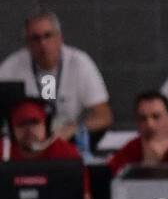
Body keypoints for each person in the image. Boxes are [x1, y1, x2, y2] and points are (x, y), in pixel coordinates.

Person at [0, 8, 112, 142]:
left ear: (60, 38)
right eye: (35, 38)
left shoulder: (79, 62)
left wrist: (73, 129)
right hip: (26, 141)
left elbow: (104, 116)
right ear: (27, 44)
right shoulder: (11, 67)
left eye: (48, 36)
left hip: (67, 140)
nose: (43, 44)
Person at [2, 97, 91, 199]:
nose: (29, 130)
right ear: (11, 130)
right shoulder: (3, 150)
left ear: (47, 126)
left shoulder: (66, 152)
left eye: (35, 123)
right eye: (22, 124)